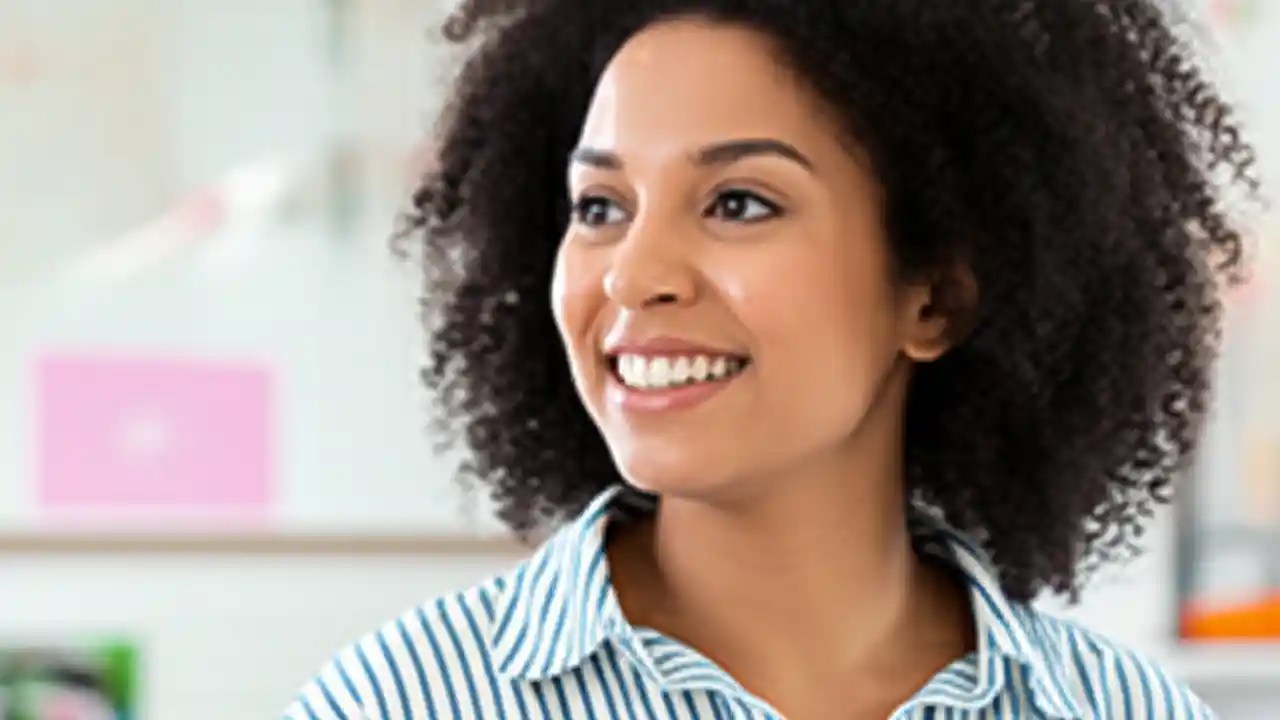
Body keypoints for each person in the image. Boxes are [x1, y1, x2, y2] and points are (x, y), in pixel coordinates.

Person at [285, 0, 1260, 717]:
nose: (633, 276)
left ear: (932, 298)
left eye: (737, 203)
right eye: (599, 209)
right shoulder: (403, 700)